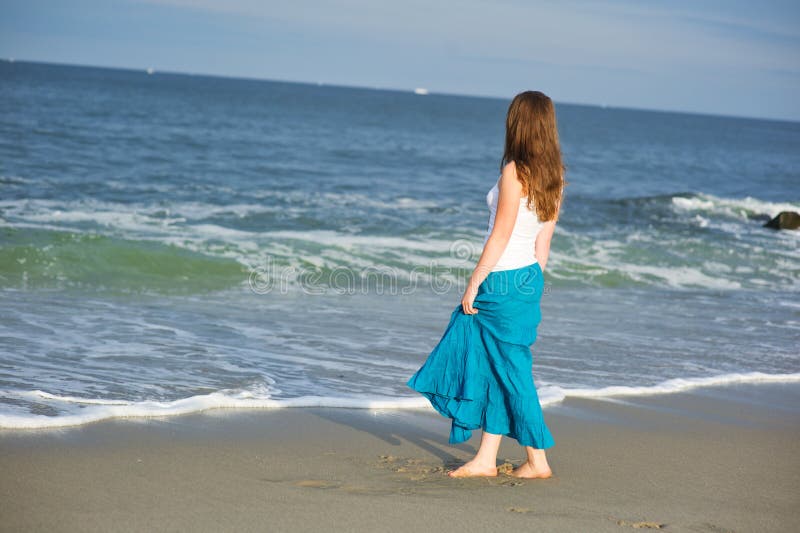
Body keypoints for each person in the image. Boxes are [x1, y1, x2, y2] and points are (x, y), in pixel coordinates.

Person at [407, 90, 566, 479]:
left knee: (512, 371)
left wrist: (475, 282)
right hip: (528, 276)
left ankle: (537, 460)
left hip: (501, 280)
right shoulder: (555, 176)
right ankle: (485, 458)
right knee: (497, 367)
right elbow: (543, 242)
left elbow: (500, 234)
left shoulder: (515, 172)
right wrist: (531, 284)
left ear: (519, 124)